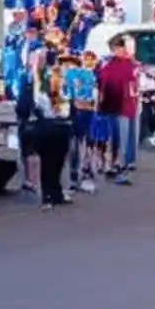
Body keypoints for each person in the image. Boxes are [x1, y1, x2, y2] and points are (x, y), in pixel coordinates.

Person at [95, 34, 137, 185]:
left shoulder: (128, 64)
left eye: (119, 48)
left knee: (120, 137)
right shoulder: (106, 64)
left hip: (122, 106)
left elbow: (133, 84)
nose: (117, 51)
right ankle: (107, 163)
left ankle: (117, 163)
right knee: (107, 136)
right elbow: (99, 82)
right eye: (115, 48)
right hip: (107, 105)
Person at [33, 63, 73, 209]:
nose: (57, 80)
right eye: (53, 77)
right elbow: (41, 110)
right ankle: (47, 195)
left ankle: (57, 193)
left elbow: (67, 111)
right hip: (47, 128)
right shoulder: (42, 94)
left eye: (59, 77)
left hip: (62, 128)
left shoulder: (65, 93)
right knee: (47, 163)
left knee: (59, 163)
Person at [62, 52, 98, 194]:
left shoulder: (82, 75)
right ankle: (79, 174)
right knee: (80, 144)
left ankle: (79, 174)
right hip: (80, 112)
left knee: (81, 144)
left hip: (80, 112)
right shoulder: (86, 75)